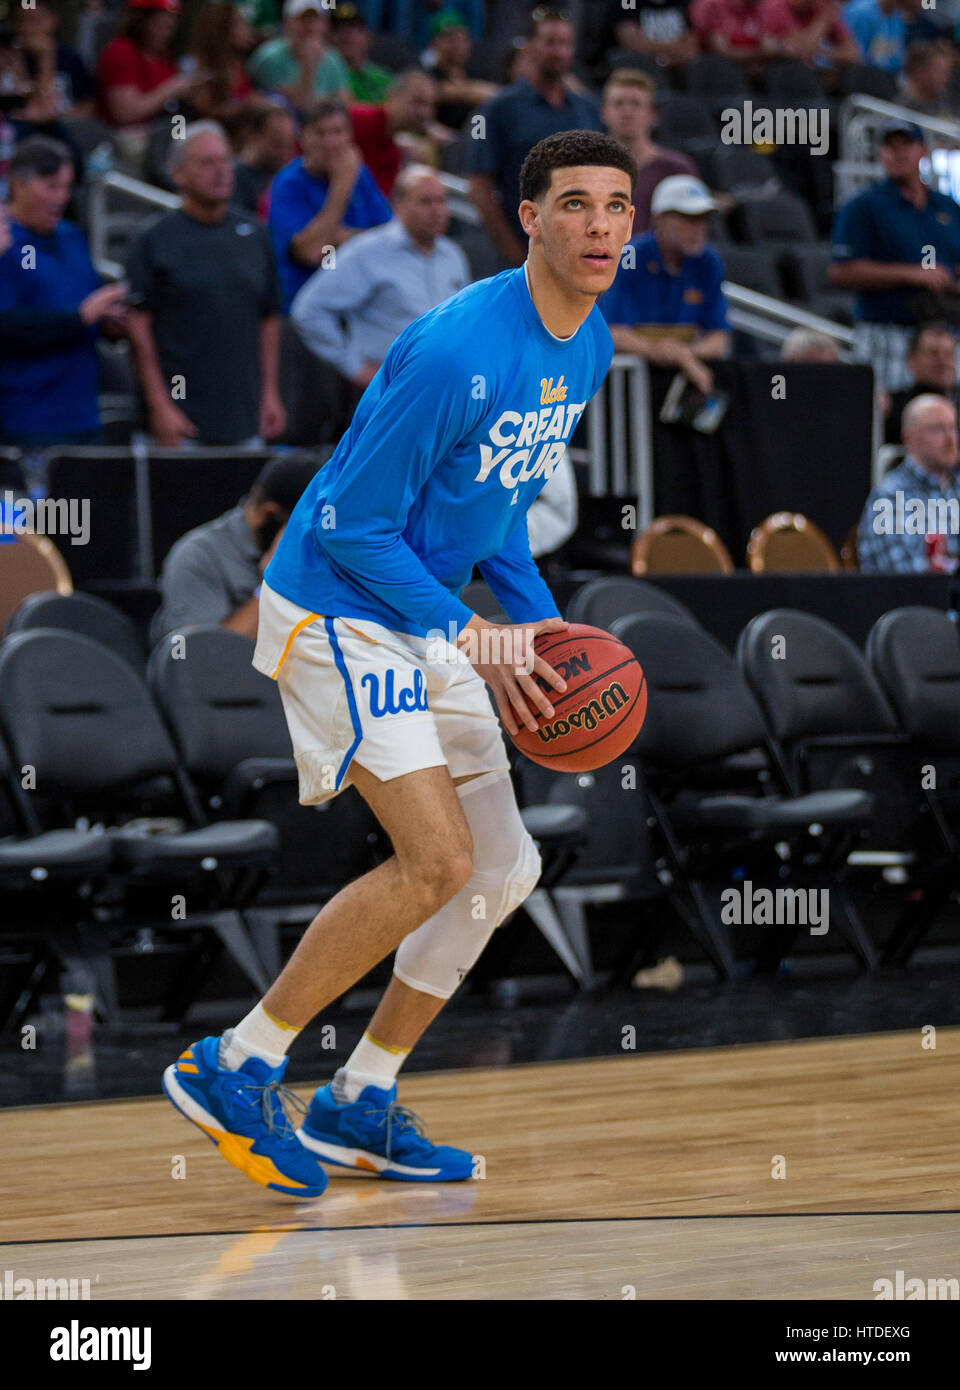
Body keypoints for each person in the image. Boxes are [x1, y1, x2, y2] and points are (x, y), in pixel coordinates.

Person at [161, 128, 637, 1199]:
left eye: (617, 205)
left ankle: (357, 1098)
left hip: (419, 611)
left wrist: (546, 635)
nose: (599, 225)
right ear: (528, 218)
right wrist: (472, 634)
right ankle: (233, 1065)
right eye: (574, 204)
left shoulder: (590, 342)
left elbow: (499, 508)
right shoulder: (458, 347)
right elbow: (344, 523)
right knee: (434, 859)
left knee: (503, 866)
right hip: (336, 604)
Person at [125, 121, 285, 448]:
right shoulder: (152, 239)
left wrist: (270, 394)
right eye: (207, 162)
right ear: (178, 174)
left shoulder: (255, 234)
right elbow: (137, 326)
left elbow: (269, 317)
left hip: (245, 419)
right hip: (181, 422)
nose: (220, 171)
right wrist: (160, 406)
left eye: (225, 160)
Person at [291, 165, 469, 392]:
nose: (437, 210)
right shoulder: (367, 251)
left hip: (444, 388)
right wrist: (354, 367)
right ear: (399, 205)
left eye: (441, 201)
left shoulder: (453, 255)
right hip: (390, 390)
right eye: (425, 202)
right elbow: (309, 310)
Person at [0, 137, 128, 450]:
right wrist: (81, 318)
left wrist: (107, 323)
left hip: (82, 412)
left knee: (87, 500)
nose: (61, 197)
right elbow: (8, 326)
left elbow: (88, 303)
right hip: (28, 416)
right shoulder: (5, 244)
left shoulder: (71, 236)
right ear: (17, 184)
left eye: (67, 187)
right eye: (51, 186)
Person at [830, 120, 960, 392]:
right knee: (886, 415)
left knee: (942, 415)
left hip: (943, 334)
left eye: (906, 146)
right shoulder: (863, 206)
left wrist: (948, 281)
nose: (898, 154)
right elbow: (841, 271)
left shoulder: (946, 206)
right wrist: (913, 274)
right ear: (881, 154)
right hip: (886, 332)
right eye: (890, 147)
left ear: (923, 150)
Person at [468, 8, 602, 269]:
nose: (559, 52)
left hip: (579, 259)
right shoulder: (497, 109)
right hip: (518, 258)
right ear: (529, 47)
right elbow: (480, 189)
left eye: (565, 44)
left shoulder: (589, 110)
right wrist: (521, 258)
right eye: (550, 43)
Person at [153, 453, 320, 640]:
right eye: (308, 532)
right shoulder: (197, 557)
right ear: (270, 514)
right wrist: (275, 584)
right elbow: (203, 658)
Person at [599, 174, 730, 395]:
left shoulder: (709, 262)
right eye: (687, 218)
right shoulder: (629, 256)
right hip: (626, 388)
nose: (698, 227)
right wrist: (674, 354)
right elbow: (612, 333)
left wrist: (683, 354)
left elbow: (719, 341)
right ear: (659, 219)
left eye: (703, 218)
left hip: (683, 381)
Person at [268, 99, 392, 311]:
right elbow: (312, 251)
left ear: (350, 136)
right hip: (306, 308)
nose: (330, 142)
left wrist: (343, 239)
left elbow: (390, 239)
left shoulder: (360, 175)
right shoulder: (289, 184)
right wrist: (341, 185)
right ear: (303, 137)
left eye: (337, 132)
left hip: (360, 302)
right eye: (320, 133)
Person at [858, 393, 960, 571]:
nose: (950, 439)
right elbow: (905, 579)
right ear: (908, 437)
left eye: (953, 428)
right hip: (920, 597)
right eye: (938, 429)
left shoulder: (956, 486)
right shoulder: (890, 497)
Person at [601, 68, 698, 234]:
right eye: (618, 104)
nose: (627, 112)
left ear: (652, 115)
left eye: (635, 104)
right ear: (604, 113)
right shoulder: (588, 170)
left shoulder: (676, 169)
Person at [97, 0, 200, 133]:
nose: (166, 33)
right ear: (142, 22)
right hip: (126, 138)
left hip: (166, 131)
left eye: (170, 26)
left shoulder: (164, 57)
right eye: (160, 24)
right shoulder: (121, 51)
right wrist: (171, 89)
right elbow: (125, 113)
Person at [350, 69, 443, 199]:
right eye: (417, 102)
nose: (424, 113)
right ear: (393, 96)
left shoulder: (394, 156)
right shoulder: (356, 120)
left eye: (430, 106)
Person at [246, 0, 349, 111]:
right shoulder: (269, 58)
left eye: (314, 20)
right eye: (301, 19)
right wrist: (308, 65)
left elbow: (344, 101)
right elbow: (297, 106)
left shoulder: (333, 58)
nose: (309, 27)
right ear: (286, 23)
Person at [10, 0, 96, 121]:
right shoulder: (10, 57)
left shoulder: (70, 58)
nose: (26, 28)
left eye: (34, 20)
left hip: (67, 127)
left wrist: (46, 55)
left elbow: (88, 105)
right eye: (20, 21)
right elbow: (27, 104)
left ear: (53, 19)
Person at [420, 10, 498, 132]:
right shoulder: (427, 75)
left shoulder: (478, 72)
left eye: (462, 38)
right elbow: (441, 91)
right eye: (450, 38)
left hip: (475, 139)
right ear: (433, 43)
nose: (458, 44)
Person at [884, 320, 959, 442]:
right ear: (911, 360)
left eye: (948, 354)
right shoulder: (891, 408)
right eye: (933, 354)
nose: (942, 361)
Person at [185, 1, 258, 126]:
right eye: (240, 24)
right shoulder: (201, 67)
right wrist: (245, 106)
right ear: (223, 30)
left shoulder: (241, 65)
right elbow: (203, 111)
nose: (248, 30)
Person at [232, 99, 298, 214]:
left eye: (289, 146)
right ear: (253, 136)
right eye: (277, 144)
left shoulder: (293, 175)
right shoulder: (232, 177)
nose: (284, 153)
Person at [758, 0, 858, 67]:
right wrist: (824, 20)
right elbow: (802, 51)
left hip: (812, 78)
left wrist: (819, 53)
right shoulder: (776, 6)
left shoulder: (822, 6)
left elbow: (854, 54)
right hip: (778, 79)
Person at [604, 0, 698, 71]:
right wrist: (667, 53)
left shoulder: (682, 2)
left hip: (678, 66)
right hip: (638, 67)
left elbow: (691, 44)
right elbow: (633, 42)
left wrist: (668, 58)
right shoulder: (629, 2)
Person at [329, 3, 392, 106]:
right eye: (338, 29)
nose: (345, 34)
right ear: (329, 38)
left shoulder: (383, 78)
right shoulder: (327, 77)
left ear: (368, 37)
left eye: (353, 28)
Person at [689, 0, 766, 71]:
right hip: (716, 66)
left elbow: (769, 43)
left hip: (754, 64)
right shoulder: (710, 5)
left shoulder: (760, 7)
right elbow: (722, 50)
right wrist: (760, 54)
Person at [899, 40, 958, 120]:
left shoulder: (946, 105)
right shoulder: (899, 112)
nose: (945, 79)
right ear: (918, 72)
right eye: (938, 71)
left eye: (947, 72)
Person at [843, 0, 906, 74]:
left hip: (886, 76)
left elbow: (897, 58)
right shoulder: (861, 12)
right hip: (858, 76)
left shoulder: (897, 16)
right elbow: (856, 58)